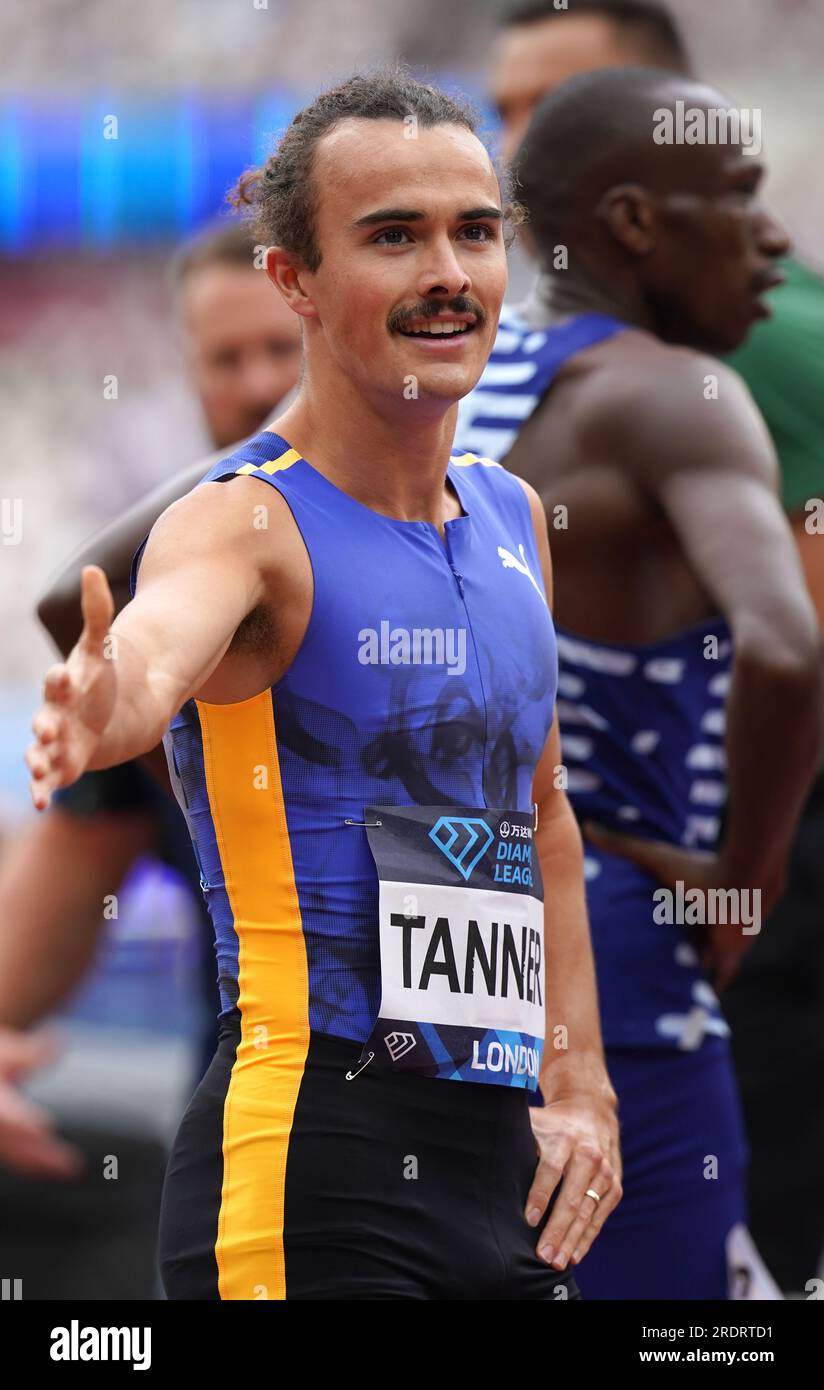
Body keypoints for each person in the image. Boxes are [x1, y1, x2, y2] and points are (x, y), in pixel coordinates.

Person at [25, 69, 621, 1302]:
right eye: (392, 236)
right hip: (310, 1168)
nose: (446, 271)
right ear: (293, 277)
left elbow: (541, 814)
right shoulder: (240, 524)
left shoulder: (512, 516)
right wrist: (109, 701)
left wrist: (578, 1084)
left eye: (474, 231)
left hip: (502, 1175)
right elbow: (153, 655)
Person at [453, 67, 822, 1300]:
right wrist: (743, 882)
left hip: (447, 927)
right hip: (611, 932)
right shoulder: (679, 393)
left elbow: (103, 576)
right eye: (736, 195)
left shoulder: (445, 396)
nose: (772, 236)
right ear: (630, 222)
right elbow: (782, 645)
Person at [0, 221, 302, 1181]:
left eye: (283, 350)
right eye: (226, 358)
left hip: (481, 1129)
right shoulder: (145, 612)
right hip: (243, 1138)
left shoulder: (482, 544)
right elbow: (64, 881)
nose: (258, 384)